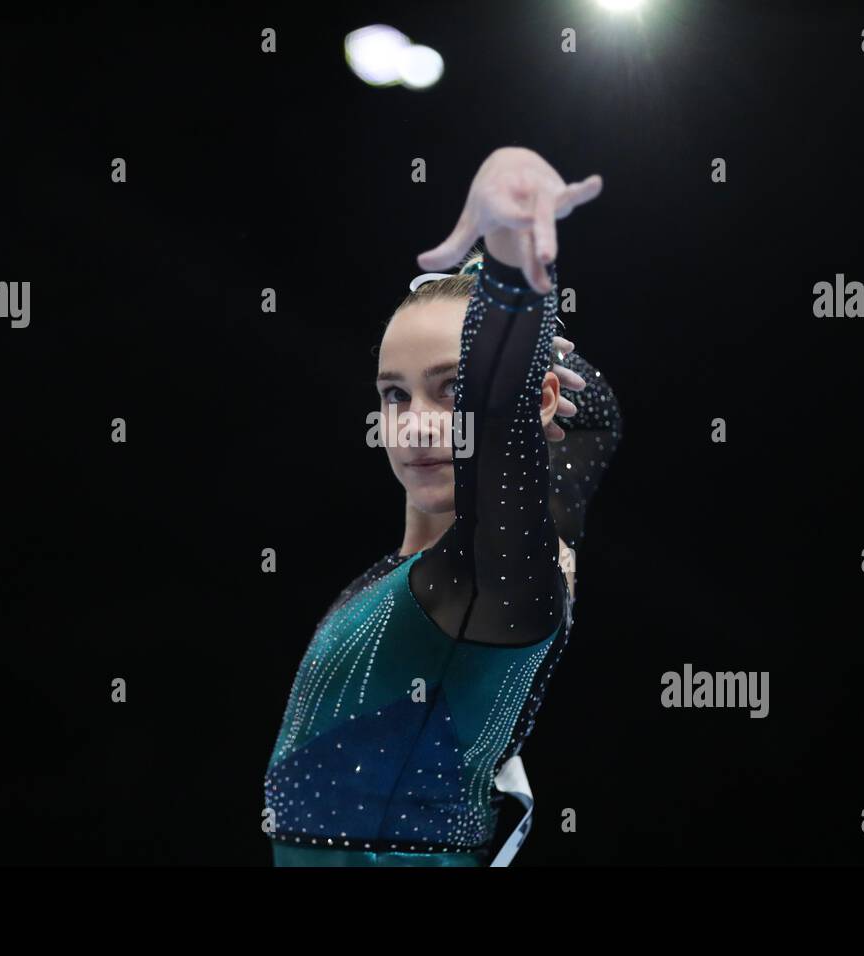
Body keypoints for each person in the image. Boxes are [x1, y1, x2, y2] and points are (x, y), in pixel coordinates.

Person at [263, 147, 621, 866]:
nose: (415, 423)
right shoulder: (432, 568)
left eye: (454, 388)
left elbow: (518, 445)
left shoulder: (492, 574)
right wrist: (495, 321)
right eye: (395, 394)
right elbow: (596, 415)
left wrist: (512, 265)